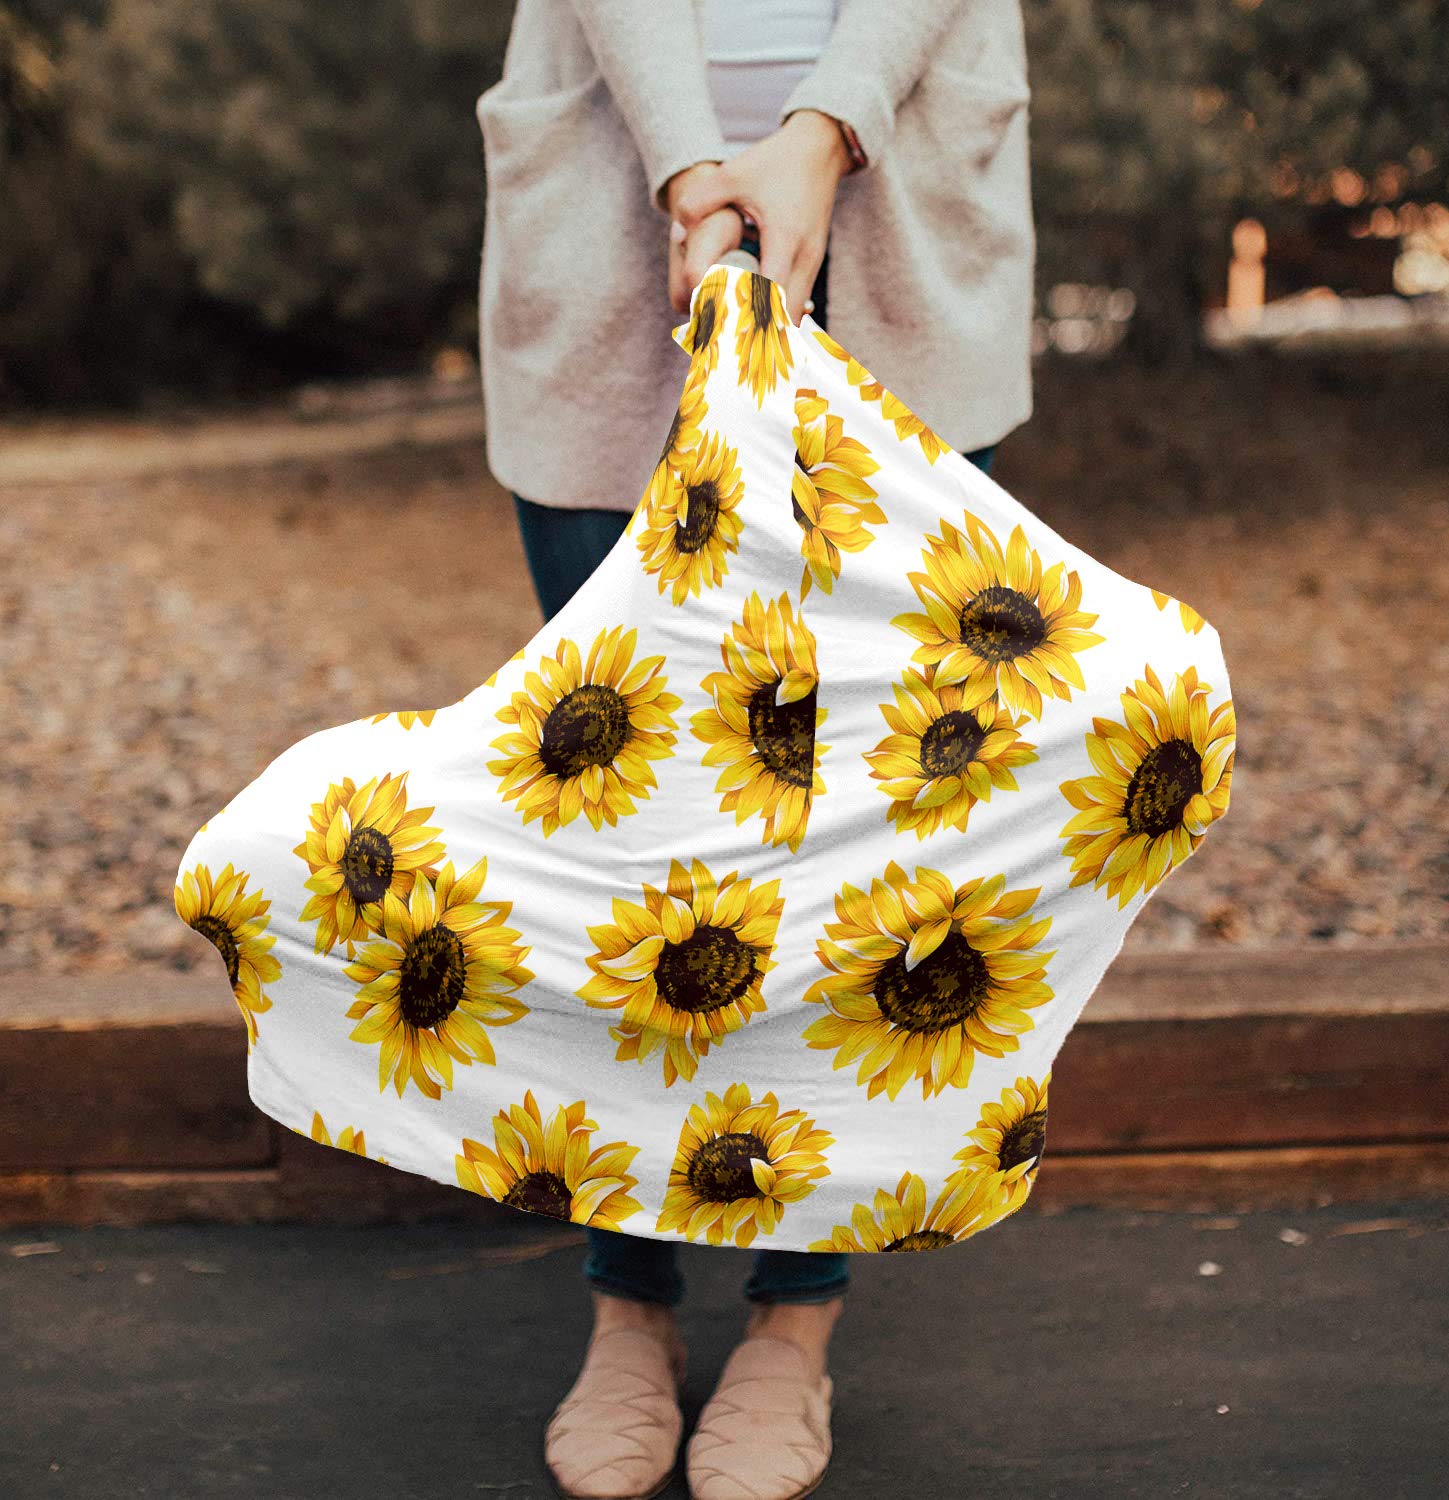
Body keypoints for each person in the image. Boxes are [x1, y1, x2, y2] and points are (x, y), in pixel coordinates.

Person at [474, 3, 1035, 1496]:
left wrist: (821, 130)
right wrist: (688, 168)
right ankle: (629, 1302)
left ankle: (796, 1317)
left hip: (901, 199)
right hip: (614, 203)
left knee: (857, 830)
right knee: (623, 816)